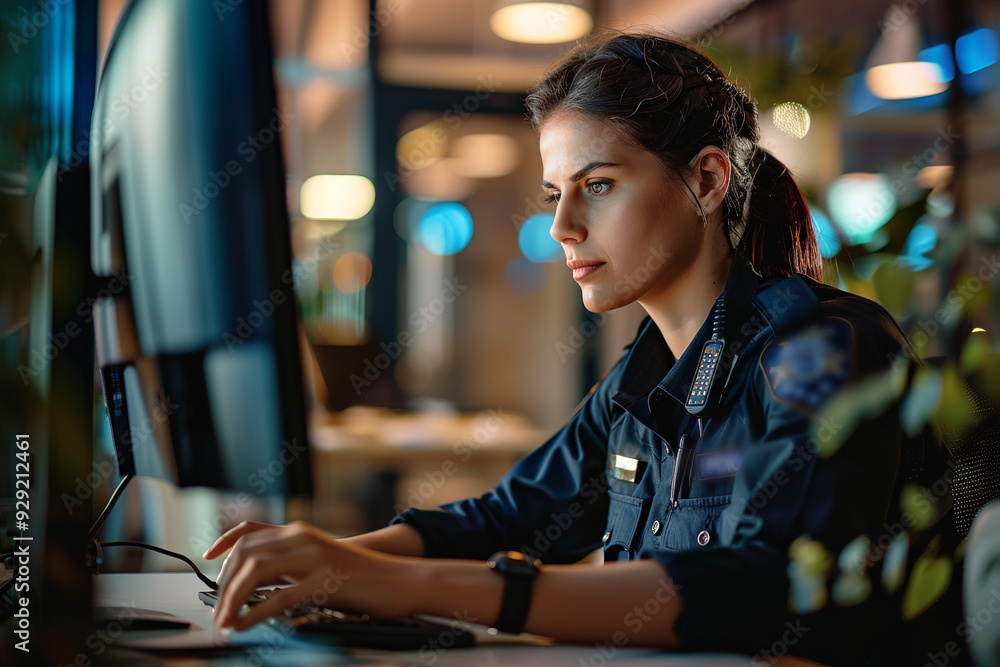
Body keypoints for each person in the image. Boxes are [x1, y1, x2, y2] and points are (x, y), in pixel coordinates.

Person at [204, 32, 952, 664]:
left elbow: (763, 586)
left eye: (596, 185)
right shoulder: (644, 375)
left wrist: (406, 586)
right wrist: (334, 558)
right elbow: (513, 517)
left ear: (706, 178)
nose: (562, 225)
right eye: (553, 192)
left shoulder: (824, 346)